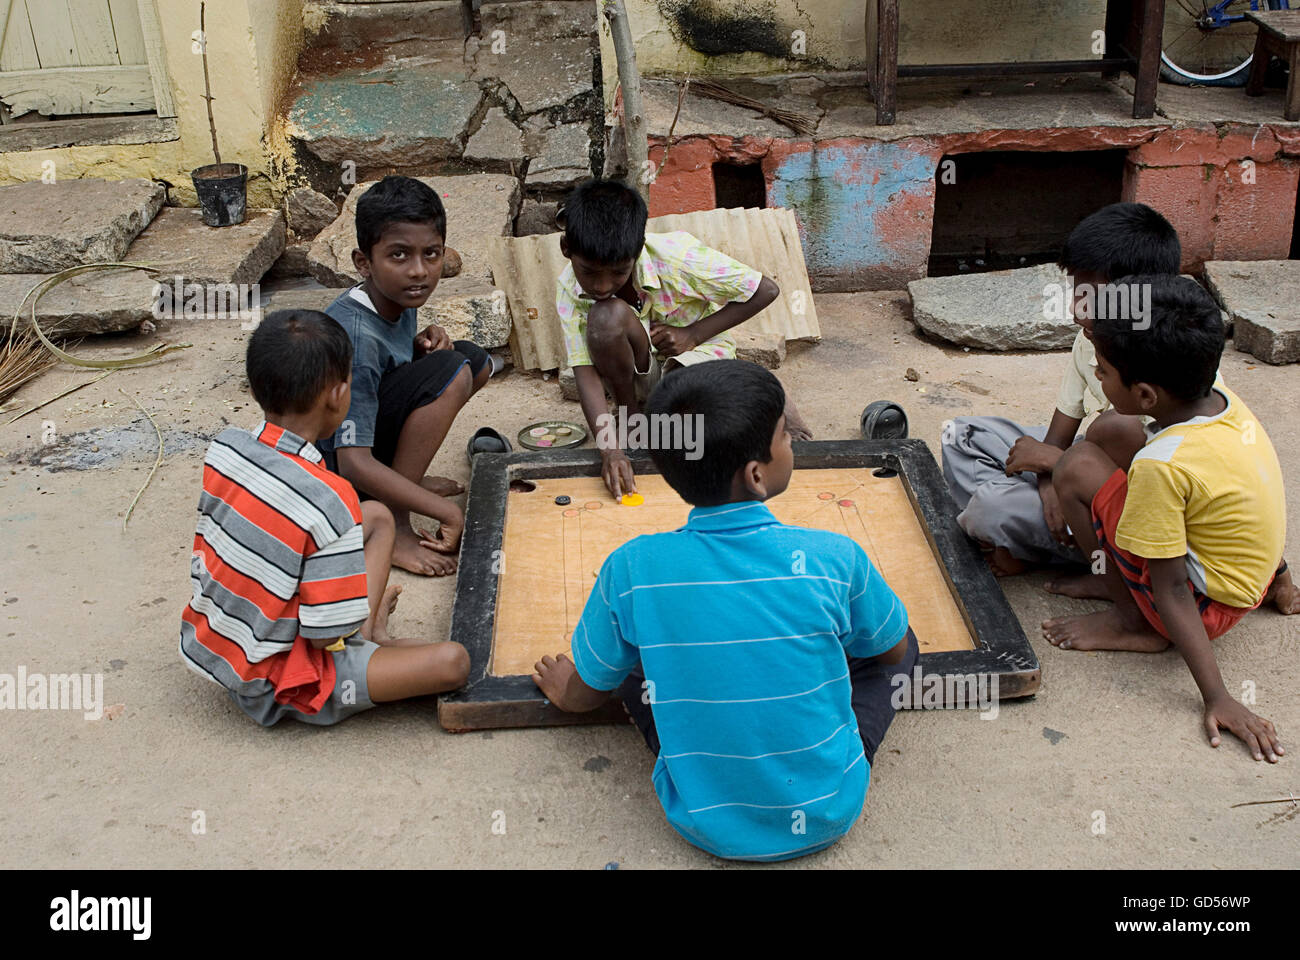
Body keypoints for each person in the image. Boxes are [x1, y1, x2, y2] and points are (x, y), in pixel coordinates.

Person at [532, 360, 917, 860]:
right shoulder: (834, 558)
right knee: (903, 646)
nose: (793, 443)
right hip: (828, 810)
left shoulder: (630, 568)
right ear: (757, 474)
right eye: (787, 436)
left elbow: (589, 691)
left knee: (636, 659)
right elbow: (891, 654)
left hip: (701, 820)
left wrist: (568, 693)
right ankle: (836, 745)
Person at [180, 309, 470, 726]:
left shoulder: (224, 448)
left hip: (222, 648)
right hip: (282, 684)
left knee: (378, 517)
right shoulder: (329, 498)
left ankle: (370, 636)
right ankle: (372, 639)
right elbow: (325, 635)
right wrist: (352, 626)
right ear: (338, 395)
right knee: (453, 661)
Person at [1042, 276, 1286, 762]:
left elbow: (1173, 587)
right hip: (1244, 578)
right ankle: (1110, 578)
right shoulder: (1217, 395)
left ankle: (1132, 620)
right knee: (1109, 428)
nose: (1096, 371)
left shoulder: (1162, 465)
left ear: (1148, 395)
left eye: (1105, 370)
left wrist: (1218, 697)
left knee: (1074, 468)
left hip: (1200, 605)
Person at [556, 177, 812, 499]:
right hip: (644, 371)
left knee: (702, 437)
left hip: (697, 359)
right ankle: (631, 415)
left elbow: (765, 290)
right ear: (566, 249)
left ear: (638, 251)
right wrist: (609, 449)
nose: (603, 286)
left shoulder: (678, 257)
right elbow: (585, 371)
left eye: (619, 272)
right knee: (605, 316)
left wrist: (693, 334)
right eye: (590, 272)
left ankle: (766, 398)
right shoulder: (569, 287)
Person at [318, 175, 493, 577]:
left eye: (431, 254)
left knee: (473, 360)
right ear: (364, 262)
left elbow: (390, 365)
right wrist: (445, 512)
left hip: (366, 436)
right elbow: (352, 463)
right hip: (340, 472)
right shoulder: (356, 339)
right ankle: (392, 524)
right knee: (451, 373)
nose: (419, 271)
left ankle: (404, 481)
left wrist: (417, 345)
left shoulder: (395, 296)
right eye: (399, 256)